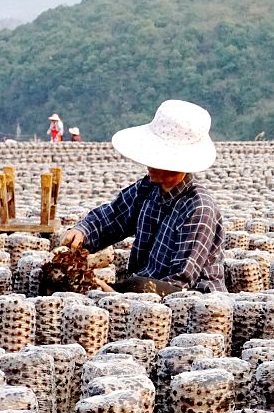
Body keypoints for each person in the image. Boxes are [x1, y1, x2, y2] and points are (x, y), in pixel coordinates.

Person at [61, 99, 226, 294]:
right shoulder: (147, 188)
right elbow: (112, 217)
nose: (149, 164)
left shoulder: (199, 209)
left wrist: (119, 294)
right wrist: (83, 231)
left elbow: (180, 281)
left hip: (192, 300)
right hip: (144, 285)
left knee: (138, 284)